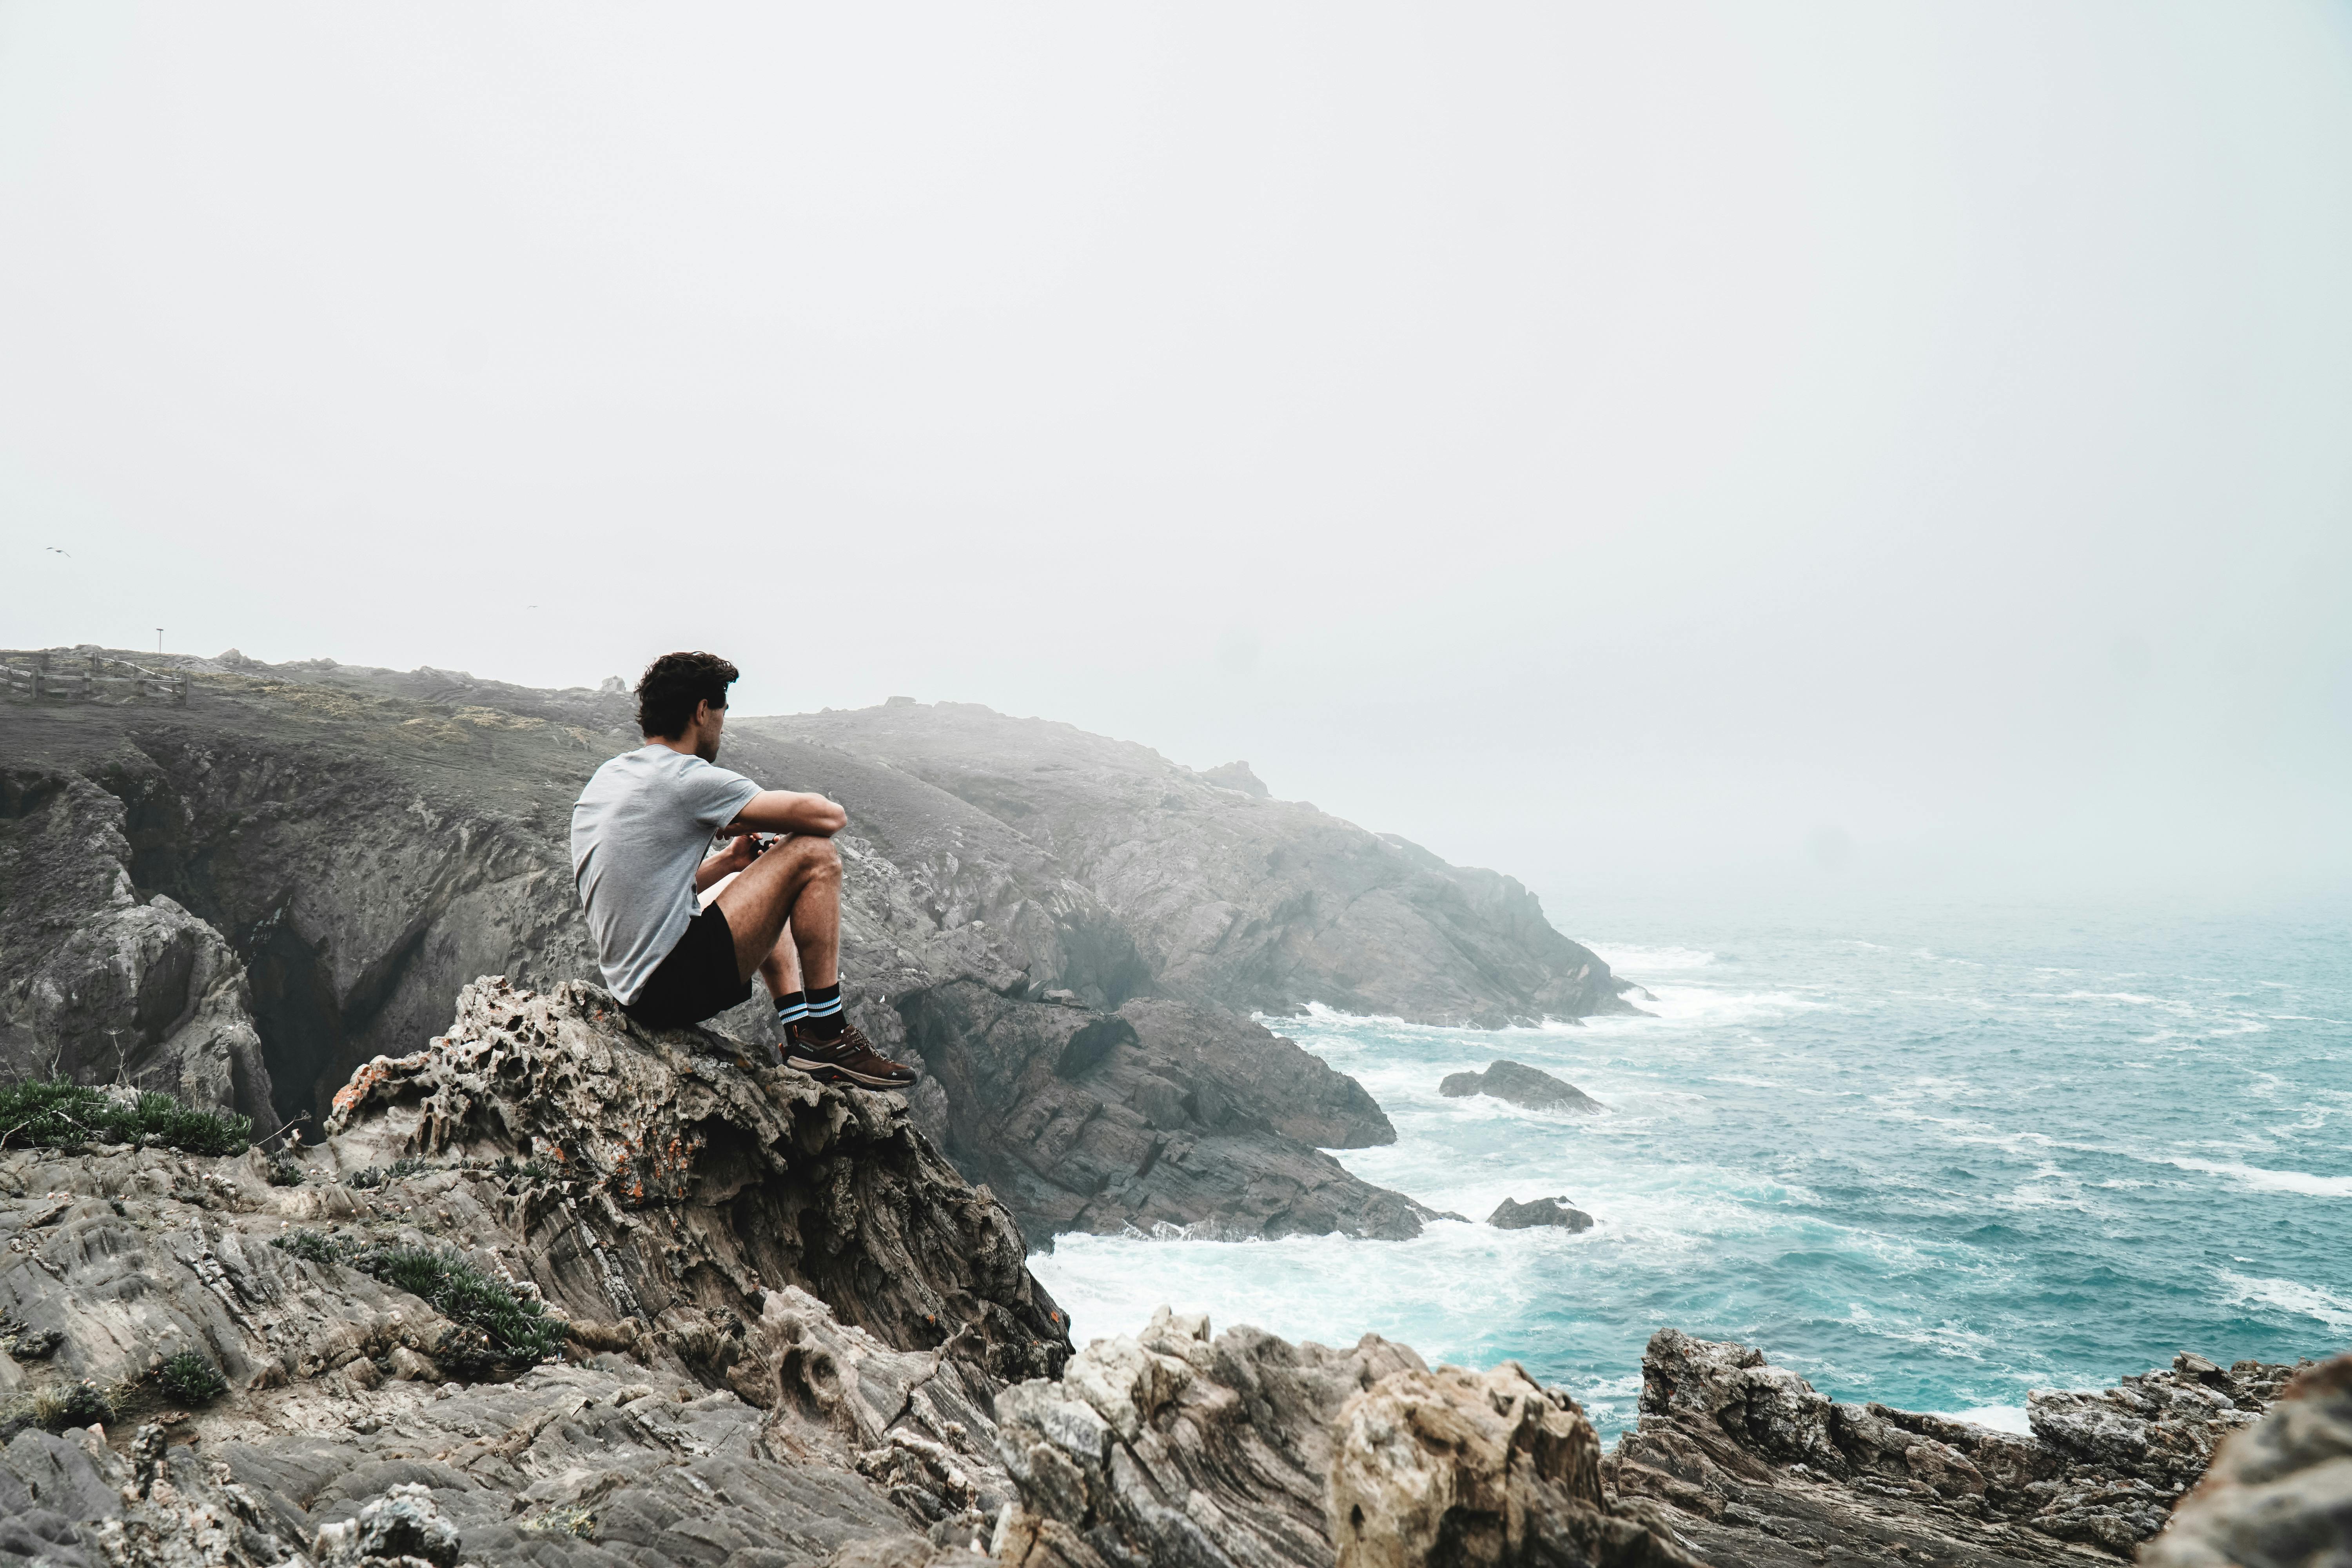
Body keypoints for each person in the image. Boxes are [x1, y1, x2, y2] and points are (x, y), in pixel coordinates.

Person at [570, 650, 918, 1089]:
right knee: (814, 853)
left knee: (744, 880)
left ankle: (798, 1034)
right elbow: (830, 818)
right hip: (671, 985)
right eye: (722, 713)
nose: (722, 726)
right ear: (701, 711)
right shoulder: (686, 777)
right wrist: (741, 816)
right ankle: (829, 1034)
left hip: (635, 988)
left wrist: (734, 861)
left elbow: (648, 892)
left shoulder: (611, 776)